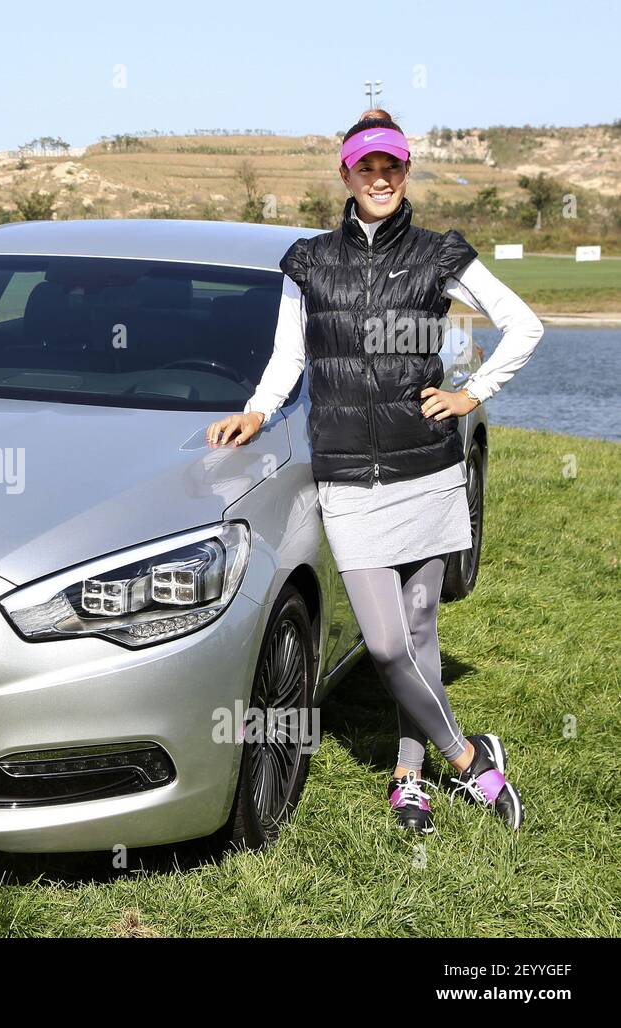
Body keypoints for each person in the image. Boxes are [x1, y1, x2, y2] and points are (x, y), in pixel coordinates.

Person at [208, 109, 544, 835]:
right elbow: (290, 357)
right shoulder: (309, 261)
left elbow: (524, 323)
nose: (381, 177)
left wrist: (470, 393)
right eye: (368, 167)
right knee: (385, 642)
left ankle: (408, 775)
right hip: (348, 475)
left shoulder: (438, 255)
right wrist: (259, 413)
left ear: (405, 171)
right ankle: (470, 757)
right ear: (347, 175)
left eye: (392, 165)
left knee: (418, 629)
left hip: (424, 465)